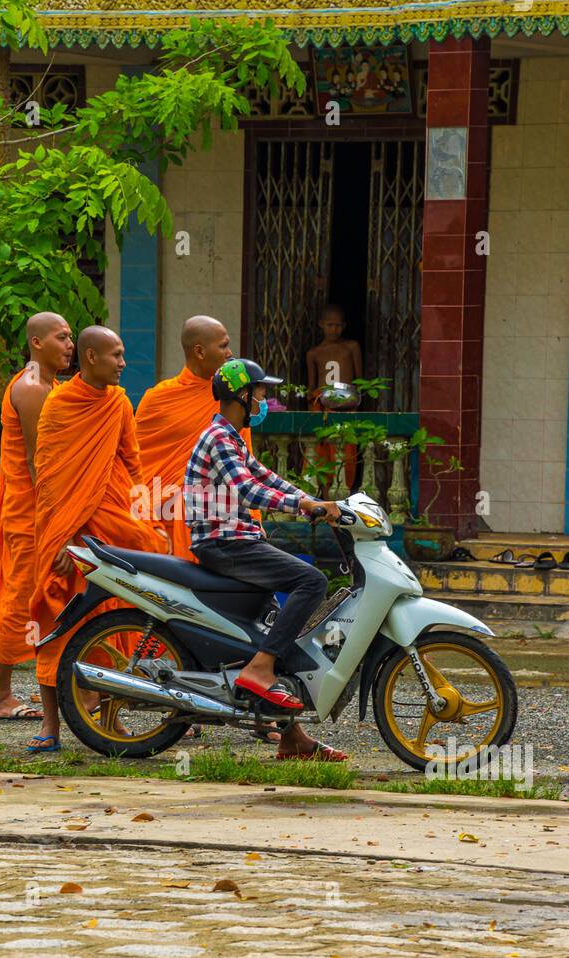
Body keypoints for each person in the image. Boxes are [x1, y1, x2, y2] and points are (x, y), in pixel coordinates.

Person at [184, 358, 347, 761]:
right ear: (240, 395)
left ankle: (293, 739)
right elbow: (250, 493)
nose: (262, 400)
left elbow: (267, 478)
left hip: (237, 541)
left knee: (275, 631)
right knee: (312, 582)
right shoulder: (219, 438)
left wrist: (320, 502)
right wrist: (302, 504)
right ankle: (258, 670)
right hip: (225, 544)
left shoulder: (231, 437)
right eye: (259, 392)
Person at [26, 326, 166, 753]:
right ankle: (51, 726)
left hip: (112, 527)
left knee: (114, 620)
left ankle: (110, 719)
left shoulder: (120, 403)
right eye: (116, 356)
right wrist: (65, 538)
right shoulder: (60, 403)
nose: (123, 364)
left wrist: (146, 519)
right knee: (55, 619)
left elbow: (133, 463)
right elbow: (50, 477)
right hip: (66, 533)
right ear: (91, 356)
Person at [0, 311, 73, 720]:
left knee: (49, 594)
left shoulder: (51, 385)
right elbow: (42, 463)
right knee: (20, 597)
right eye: (61, 338)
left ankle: (51, 679)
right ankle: (2, 697)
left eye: (71, 337)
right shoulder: (33, 388)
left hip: (36, 509)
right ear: (36, 343)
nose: (69, 345)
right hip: (30, 511)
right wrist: (59, 519)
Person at [135, 314, 258, 562]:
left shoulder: (232, 401)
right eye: (223, 345)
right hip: (162, 514)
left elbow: (244, 464)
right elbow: (135, 463)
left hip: (215, 519)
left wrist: (253, 518)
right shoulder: (158, 399)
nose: (230, 353)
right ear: (200, 351)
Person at [305, 303, 362, 494]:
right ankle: (321, 488)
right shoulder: (314, 353)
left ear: (344, 326)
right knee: (321, 447)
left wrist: (355, 401)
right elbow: (311, 386)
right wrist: (312, 399)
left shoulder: (352, 347)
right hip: (321, 407)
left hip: (346, 405)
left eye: (338, 325)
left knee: (346, 449)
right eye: (330, 325)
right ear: (321, 324)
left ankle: (344, 487)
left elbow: (359, 381)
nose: (334, 329)